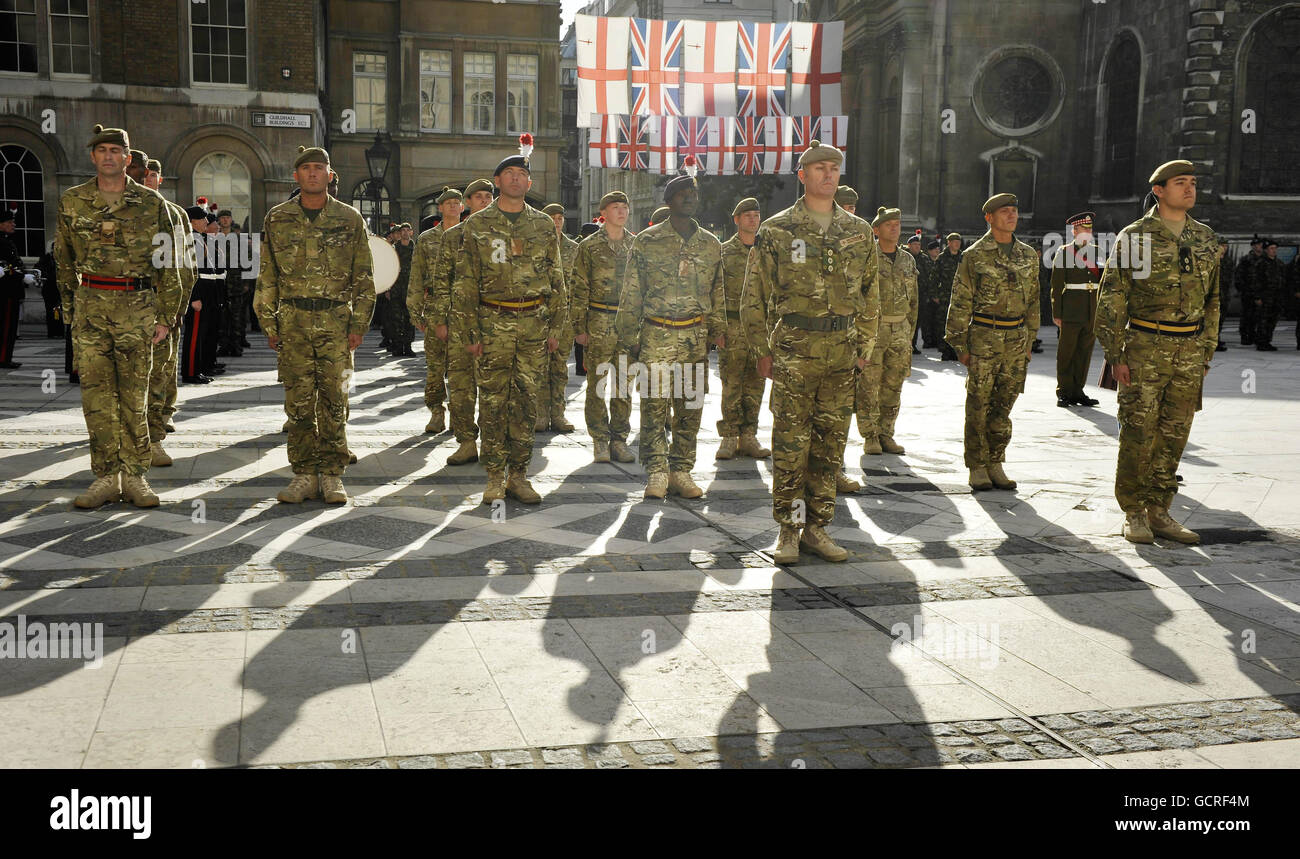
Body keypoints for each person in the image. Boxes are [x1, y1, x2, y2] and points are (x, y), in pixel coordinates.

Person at [741, 139, 879, 564]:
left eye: (834, 168)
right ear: (802, 175)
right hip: (794, 351)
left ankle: (818, 528)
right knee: (790, 443)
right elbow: (754, 294)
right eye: (819, 168)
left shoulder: (858, 231)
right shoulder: (779, 229)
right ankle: (789, 528)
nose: (828, 175)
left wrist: (864, 345)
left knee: (830, 444)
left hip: (841, 352)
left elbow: (872, 293)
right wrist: (762, 349)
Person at [54, 124, 184, 508]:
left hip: (137, 307)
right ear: (92, 157)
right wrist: (70, 311)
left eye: (116, 150)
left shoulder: (150, 203)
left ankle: (136, 476)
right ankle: (107, 477)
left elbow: (169, 261)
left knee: (135, 397)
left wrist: (165, 315)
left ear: (128, 158)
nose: (110, 156)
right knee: (96, 398)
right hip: (91, 304)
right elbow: (63, 259)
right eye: (102, 150)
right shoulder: (73, 201)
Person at [1095, 159, 1218, 545]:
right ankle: (1133, 511)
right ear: (1159, 191)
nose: (1189, 189)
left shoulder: (1204, 238)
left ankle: (1160, 510)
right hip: (1145, 347)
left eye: (1193, 183)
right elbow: (1113, 297)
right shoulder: (1136, 238)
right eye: (1180, 183)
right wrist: (1116, 354)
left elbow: (1213, 300)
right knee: (1138, 431)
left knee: (1175, 433)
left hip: (1189, 349)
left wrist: (1206, 351)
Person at [254, 145, 376, 505]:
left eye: (318, 168)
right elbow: (268, 275)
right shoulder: (277, 218)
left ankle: (333, 474)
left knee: (335, 398)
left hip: (336, 321)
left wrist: (360, 323)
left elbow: (364, 277)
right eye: (305, 168)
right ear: (297, 176)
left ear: (329, 175)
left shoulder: (350, 219)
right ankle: (304, 474)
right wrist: (268, 321)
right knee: (299, 402)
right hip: (292, 321)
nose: (311, 174)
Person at [451, 140, 565, 504]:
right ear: (497, 181)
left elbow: (557, 277)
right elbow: (466, 281)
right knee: (494, 402)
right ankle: (494, 476)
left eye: (523, 175)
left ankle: (519, 475)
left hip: (534, 323)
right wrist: (470, 331)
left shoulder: (544, 225)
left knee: (527, 402)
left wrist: (556, 328)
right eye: (510, 174)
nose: (517, 180)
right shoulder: (478, 225)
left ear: (529, 184)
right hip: (492, 321)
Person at [617, 168, 725, 500]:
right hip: (656, 337)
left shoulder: (710, 245)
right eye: (682, 194)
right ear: (669, 200)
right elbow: (631, 292)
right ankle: (657, 472)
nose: (690, 198)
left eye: (693, 193)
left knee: (690, 408)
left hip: (694, 339)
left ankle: (681, 470)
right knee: (654, 408)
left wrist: (718, 332)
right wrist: (628, 339)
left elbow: (717, 293)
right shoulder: (647, 241)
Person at [944, 192, 1039, 493]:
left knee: (1004, 404)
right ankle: (977, 465)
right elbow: (960, 301)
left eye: (1014, 210)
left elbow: (1034, 300)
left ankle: (996, 460)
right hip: (984, 337)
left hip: (1015, 339)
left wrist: (1029, 340)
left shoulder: (1028, 255)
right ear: (989, 217)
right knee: (978, 404)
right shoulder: (974, 255)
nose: (1012, 216)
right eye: (1004, 212)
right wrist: (961, 346)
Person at [133, 154, 195, 466]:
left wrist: (176, 310)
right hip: (123, 310)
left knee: (159, 376)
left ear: (159, 178)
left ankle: (154, 438)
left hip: (163, 309)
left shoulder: (175, 214)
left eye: (149, 175)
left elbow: (186, 265)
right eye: (139, 174)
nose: (145, 179)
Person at [571, 190, 637, 463]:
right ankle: (600, 439)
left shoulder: (637, 244)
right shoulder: (589, 246)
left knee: (624, 384)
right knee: (597, 384)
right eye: (615, 207)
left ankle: (619, 440)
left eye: (624, 207)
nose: (621, 212)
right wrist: (579, 328)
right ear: (604, 213)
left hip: (627, 323)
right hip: (598, 319)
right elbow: (578, 288)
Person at [434, 178, 495, 464]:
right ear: (467, 203)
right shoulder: (453, 236)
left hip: (496, 323)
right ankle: (466, 441)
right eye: (478, 197)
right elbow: (441, 282)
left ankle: (492, 441)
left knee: (494, 387)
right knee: (460, 387)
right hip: (459, 323)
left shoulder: (501, 235)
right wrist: (439, 320)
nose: (484, 201)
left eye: (488, 196)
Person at [857, 206, 917, 456]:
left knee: (894, 385)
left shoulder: (908, 259)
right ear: (876, 230)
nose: (895, 227)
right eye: (889, 224)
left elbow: (914, 301)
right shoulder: (867, 258)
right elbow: (857, 297)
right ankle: (870, 435)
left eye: (897, 223)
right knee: (869, 384)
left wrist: (909, 333)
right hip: (874, 330)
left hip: (900, 329)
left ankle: (886, 433)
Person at [715, 197, 770, 461]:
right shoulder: (724, 252)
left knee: (756, 381)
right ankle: (728, 436)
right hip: (733, 324)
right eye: (747, 215)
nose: (753, 219)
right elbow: (714, 292)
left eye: (756, 215)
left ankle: (748, 435)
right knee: (732, 382)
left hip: (761, 327)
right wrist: (717, 327)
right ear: (736, 220)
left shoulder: (768, 251)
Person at [408, 187, 463, 434]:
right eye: (447, 203)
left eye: (456, 202)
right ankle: (436, 411)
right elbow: (417, 277)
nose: (452, 206)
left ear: (462, 207)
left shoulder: (470, 235)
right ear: (439, 208)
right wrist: (415, 311)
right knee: (435, 366)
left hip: (463, 310)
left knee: (462, 367)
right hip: (434, 308)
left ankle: (459, 412)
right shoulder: (427, 239)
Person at [1050, 211, 1101, 408]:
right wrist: (1057, 313)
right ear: (1075, 231)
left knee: (1084, 353)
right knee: (1066, 353)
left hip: (1091, 310)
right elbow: (1056, 285)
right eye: (1084, 228)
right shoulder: (1064, 252)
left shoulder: (1097, 252)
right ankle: (1063, 392)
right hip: (1071, 310)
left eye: (1090, 228)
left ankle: (1078, 391)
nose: (1088, 232)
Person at [539, 202, 580, 431]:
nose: (557, 221)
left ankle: (558, 413)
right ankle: (541, 414)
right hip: (539, 315)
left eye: (560, 217)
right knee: (540, 367)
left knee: (560, 367)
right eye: (553, 217)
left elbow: (580, 284)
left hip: (564, 316)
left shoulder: (573, 248)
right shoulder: (535, 245)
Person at [388, 221, 416, 357]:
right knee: (396, 319)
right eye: (402, 230)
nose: (405, 232)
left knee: (410, 319)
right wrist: (388, 288)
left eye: (407, 230)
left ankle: (408, 346)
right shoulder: (393, 249)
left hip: (411, 289)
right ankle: (398, 346)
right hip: (396, 289)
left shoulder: (416, 249)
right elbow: (387, 268)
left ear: (411, 232)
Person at [0, 208, 23, 368]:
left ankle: (5, 357)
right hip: (5, 290)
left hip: (11, 289)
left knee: (10, 327)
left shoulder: (6, 240)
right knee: (6, 326)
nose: (13, 224)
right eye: (9, 222)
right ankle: (3, 358)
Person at [934, 232, 962, 361]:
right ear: (949, 243)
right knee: (943, 324)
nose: (957, 243)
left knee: (958, 325)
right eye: (954, 241)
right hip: (945, 296)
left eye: (958, 241)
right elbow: (934, 277)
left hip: (960, 297)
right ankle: (945, 350)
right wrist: (934, 294)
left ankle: (955, 351)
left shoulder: (963, 258)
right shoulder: (942, 258)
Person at [1253, 239, 1284, 351]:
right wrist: (1257, 297)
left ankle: (1267, 341)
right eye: (1271, 248)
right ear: (1266, 250)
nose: (1274, 251)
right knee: (1263, 320)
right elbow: (1256, 281)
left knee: (1272, 320)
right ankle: (1261, 342)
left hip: (1276, 297)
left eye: (1275, 248)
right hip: (1265, 297)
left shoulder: (1279, 263)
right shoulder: (1261, 263)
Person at [1234, 235, 1262, 345]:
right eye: (1256, 245)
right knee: (1247, 315)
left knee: (1258, 316)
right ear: (1252, 247)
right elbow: (1239, 276)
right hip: (1248, 292)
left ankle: (1254, 335)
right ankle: (1245, 336)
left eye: (1259, 245)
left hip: (1260, 293)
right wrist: (1242, 289)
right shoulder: (1246, 260)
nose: (1258, 247)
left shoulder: (1264, 259)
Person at [917, 238, 942, 349]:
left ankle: (936, 340)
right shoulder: (925, 261)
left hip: (939, 295)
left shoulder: (941, 261)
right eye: (934, 249)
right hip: (926, 295)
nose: (937, 251)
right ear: (930, 251)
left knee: (937, 319)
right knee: (926, 320)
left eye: (938, 249)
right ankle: (928, 340)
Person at [905, 230, 924, 353]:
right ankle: (906, 343)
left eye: (919, 245)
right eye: (915, 245)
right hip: (906, 296)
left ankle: (913, 344)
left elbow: (929, 277)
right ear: (909, 246)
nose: (917, 247)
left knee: (916, 321)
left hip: (921, 295)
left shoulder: (924, 259)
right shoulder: (905, 258)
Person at [1215, 238, 1231, 351]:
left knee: (1221, 318)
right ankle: (1213, 341)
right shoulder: (1211, 259)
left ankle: (1217, 338)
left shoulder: (1228, 260)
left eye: (1226, 246)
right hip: (1214, 295)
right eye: (1222, 245)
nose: (1224, 248)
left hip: (1224, 294)